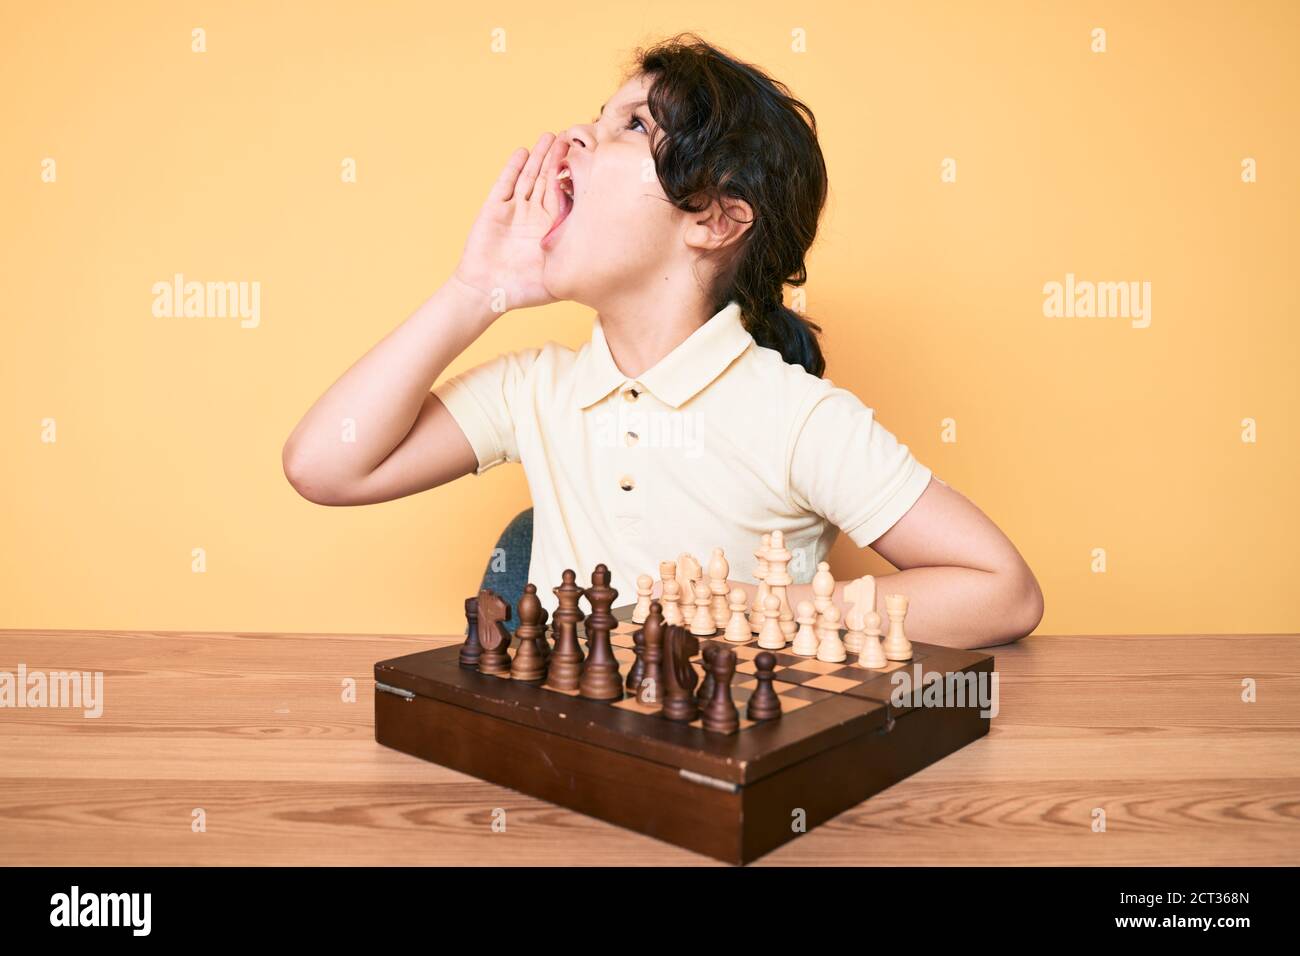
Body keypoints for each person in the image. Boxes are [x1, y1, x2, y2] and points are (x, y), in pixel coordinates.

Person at [282, 33, 1043, 649]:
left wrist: (753, 608)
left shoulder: (795, 418)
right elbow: (324, 467)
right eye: (600, 115)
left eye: (634, 124)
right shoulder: (534, 391)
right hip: (566, 769)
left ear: (712, 219)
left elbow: (1002, 592)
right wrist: (475, 290)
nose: (577, 133)